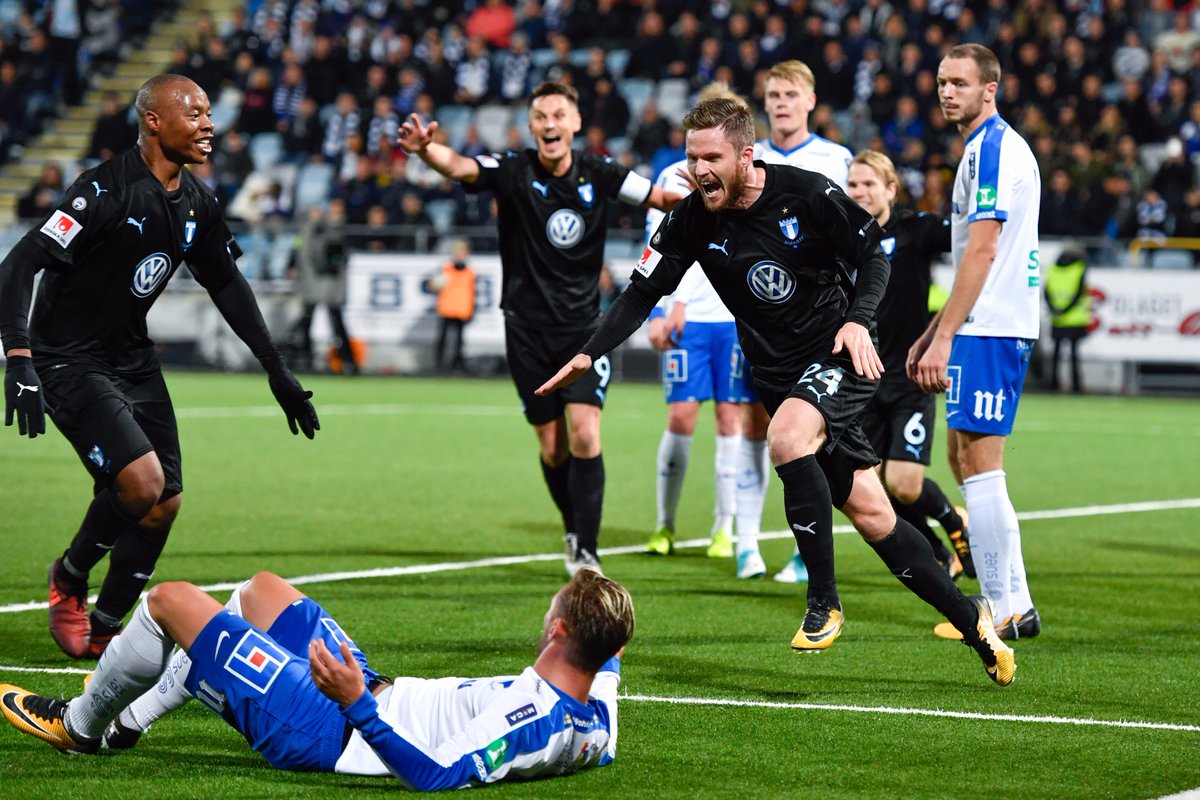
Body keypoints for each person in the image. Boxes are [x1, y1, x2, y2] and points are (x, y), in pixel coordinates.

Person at [537, 96, 1015, 685]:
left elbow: (872, 255)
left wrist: (857, 320)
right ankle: (977, 625)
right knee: (873, 513)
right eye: (691, 158)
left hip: (839, 357)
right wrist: (589, 350)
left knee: (787, 439)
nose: (699, 170)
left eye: (711, 157)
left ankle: (824, 600)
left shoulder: (807, 194)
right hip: (778, 375)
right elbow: (640, 293)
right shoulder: (690, 217)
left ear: (746, 155)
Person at [0, 75, 320, 661]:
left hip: (131, 357)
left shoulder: (197, 201)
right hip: (68, 358)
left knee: (165, 501)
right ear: (153, 121)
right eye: (193, 112)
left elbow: (225, 281)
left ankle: (105, 624)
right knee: (140, 483)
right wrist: (17, 357)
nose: (208, 123)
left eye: (207, 111)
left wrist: (276, 369)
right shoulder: (103, 191)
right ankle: (69, 577)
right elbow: (20, 263)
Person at [0, 567, 634, 791]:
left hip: (332, 729)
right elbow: (609, 659)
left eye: (552, 610)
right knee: (259, 593)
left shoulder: (527, 716)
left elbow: (438, 774)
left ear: (557, 633)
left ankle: (81, 726)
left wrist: (356, 704)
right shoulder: (596, 720)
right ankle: (135, 719)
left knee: (169, 601)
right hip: (377, 690)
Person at [397, 81, 682, 576]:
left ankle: (587, 553)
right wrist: (425, 151)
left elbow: (658, 197)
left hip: (585, 330)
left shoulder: (602, 170)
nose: (550, 124)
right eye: (540, 117)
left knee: (586, 434)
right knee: (553, 449)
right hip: (526, 331)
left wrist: (718, 203)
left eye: (558, 115)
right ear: (531, 127)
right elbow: (462, 166)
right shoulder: (513, 170)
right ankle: (574, 527)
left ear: (575, 123)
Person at [908, 44, 1041, 641]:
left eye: (959, 82)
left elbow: (985, 249)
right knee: (965, 460)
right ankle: (1014, 602)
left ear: (991, 88)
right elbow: (971, 252)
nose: (947, 92)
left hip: (992, 326)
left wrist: (948, 335)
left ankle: (1003, 606)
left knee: (982, 466)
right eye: (941, 82)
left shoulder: (991, 150)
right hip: (981, 324)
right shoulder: (978, 149)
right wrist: (937, 330)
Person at [748, 59, 856, 585]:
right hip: (752, 324)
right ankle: (745, 539)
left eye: (791, 94)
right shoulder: (749, 159)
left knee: (808, 437)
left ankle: (803, 552)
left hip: (816, 326)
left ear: (811, 101)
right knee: (752, 427)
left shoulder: (837, 161)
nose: (781, 103)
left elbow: (857, 245)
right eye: (773, 95)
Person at [846, 150, 976, 585]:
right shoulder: (842, 238)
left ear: (890, 189)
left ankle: (954, 524)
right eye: (853, 185)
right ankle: (939, 555)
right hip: (862, 377)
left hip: (909, 377)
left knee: (902, 482)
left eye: (868, 184)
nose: (859, 192)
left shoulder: (916, 230)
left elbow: (971, 242)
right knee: (876, 488)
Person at [642, 84, 755, 571]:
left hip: (732, 318)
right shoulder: (672, 177)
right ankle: (665, 523)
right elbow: (657, 247)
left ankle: (724, 526)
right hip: (686, 316)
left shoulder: (749, 173)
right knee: (681, 417)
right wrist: (662, 309)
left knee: (732, 419)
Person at [292, 201, 357, 374]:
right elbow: (303, 251)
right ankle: (308, 358)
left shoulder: (334, 231)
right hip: (315, 283)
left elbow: (331, 257)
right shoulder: (317, 231)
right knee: (312, 321)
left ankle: (346, 360)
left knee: (333, 321)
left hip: (328, 284)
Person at [1043, 244, 1092, 394]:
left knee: (1056, 353)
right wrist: (1066, 310)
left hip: (1056, 318)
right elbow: (1079, 293)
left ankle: (1053, 384)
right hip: (1074, 318)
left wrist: (1054, 309)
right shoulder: (1079, 268)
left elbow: (1046, 291)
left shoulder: (1052, 268)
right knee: (1074, 354)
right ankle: (1076, 385)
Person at [431, 239, 477, 373]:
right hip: (447, 308)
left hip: (462, 309)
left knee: (459, 341)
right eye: (458, 252)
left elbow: (472, 292)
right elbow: (433, 285)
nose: (461, 255)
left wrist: (472, 309)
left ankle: (455, 366)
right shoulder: (445, 269)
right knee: (442, 339)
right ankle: (439, 366)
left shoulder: (470, 272)